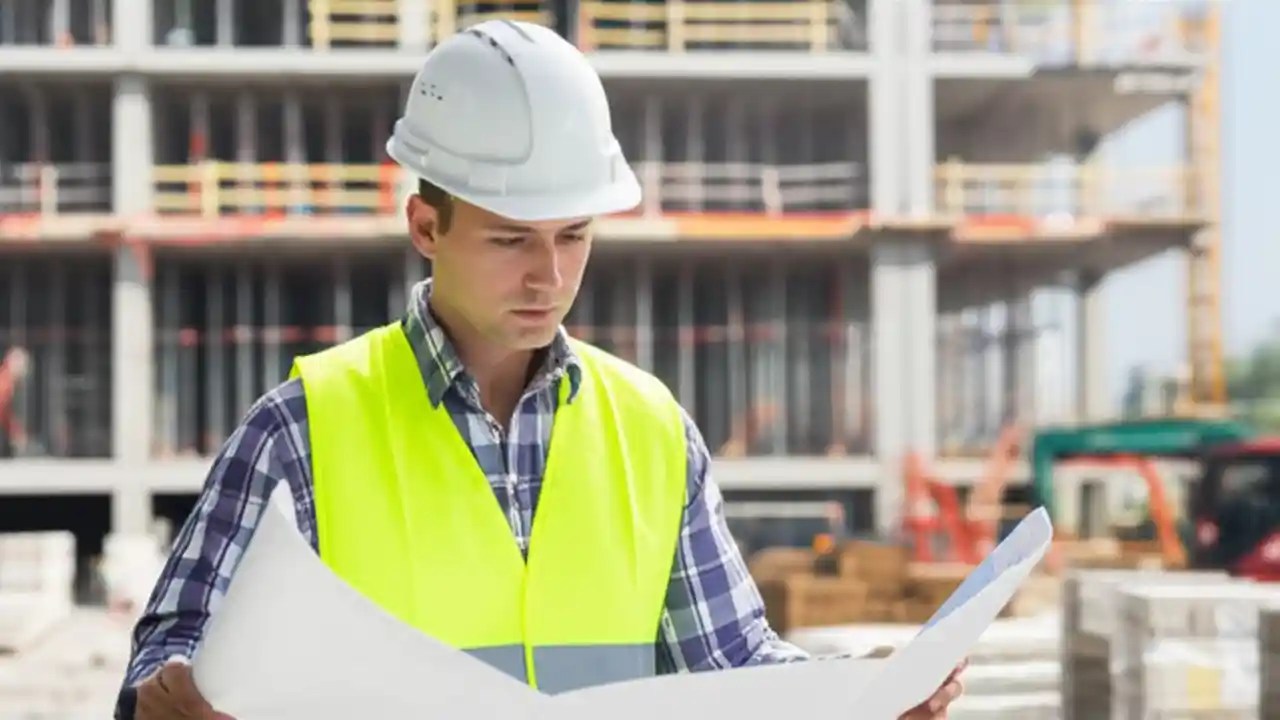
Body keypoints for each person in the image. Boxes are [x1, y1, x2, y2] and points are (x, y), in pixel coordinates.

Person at [115, 20, 966, 720]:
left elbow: (733, 665)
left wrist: (861, 696)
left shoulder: (651, 429)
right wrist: (174, 699)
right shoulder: (302, 429)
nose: (548, 276)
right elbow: (168, 657)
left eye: (573, 237)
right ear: (425, 225)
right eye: (512, 239)